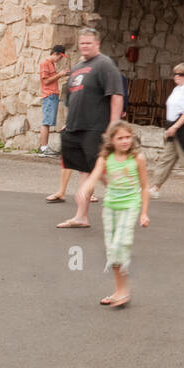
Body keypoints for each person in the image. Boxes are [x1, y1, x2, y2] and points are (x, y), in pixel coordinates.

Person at [53, 28, 125, 227]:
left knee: (98, 170)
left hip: (95, 128)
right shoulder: (77, 68)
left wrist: (113, 126)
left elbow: (116, 95)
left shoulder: (104, 64)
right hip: (75, 128)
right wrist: (67, 123)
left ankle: (125, 197)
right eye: (82, 43)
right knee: (83, 171)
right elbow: (71, 98)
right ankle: (81, 216)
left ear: (97, 44)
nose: (84, 46)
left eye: (88, 43)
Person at [76, 120, 149, 308]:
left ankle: (123, 291)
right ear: (112, 141)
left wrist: (144, 213)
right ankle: (120, 290)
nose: (125, 141)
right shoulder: (105, 159)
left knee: (120, 245)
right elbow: (94, 176)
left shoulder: (137, 158)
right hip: (110, 207)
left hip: (130, 206)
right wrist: (86, 187)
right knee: (112, 250)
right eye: (120, 138)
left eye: (127, 137)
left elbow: (145, 186)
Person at [149, 62, 184, 202]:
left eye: (181, 74)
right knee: (165, 159)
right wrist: (171, 127)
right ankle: (155, 187)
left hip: (183, 128)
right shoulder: (177, 89)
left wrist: (175, 127)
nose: (177, 77)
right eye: (176, 74)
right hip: (173, 127)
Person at [38, 45, 69, 157]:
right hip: (49, 95)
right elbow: (45, 81)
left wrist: (62, 75)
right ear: (55, 53)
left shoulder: (51, 64)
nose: (60, 60)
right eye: (60, 57)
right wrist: (59, 75)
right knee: (46, 122)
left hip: (53, 95)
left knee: (48, 121)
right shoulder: (45, 64)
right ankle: (43, 148)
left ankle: (45, 147)